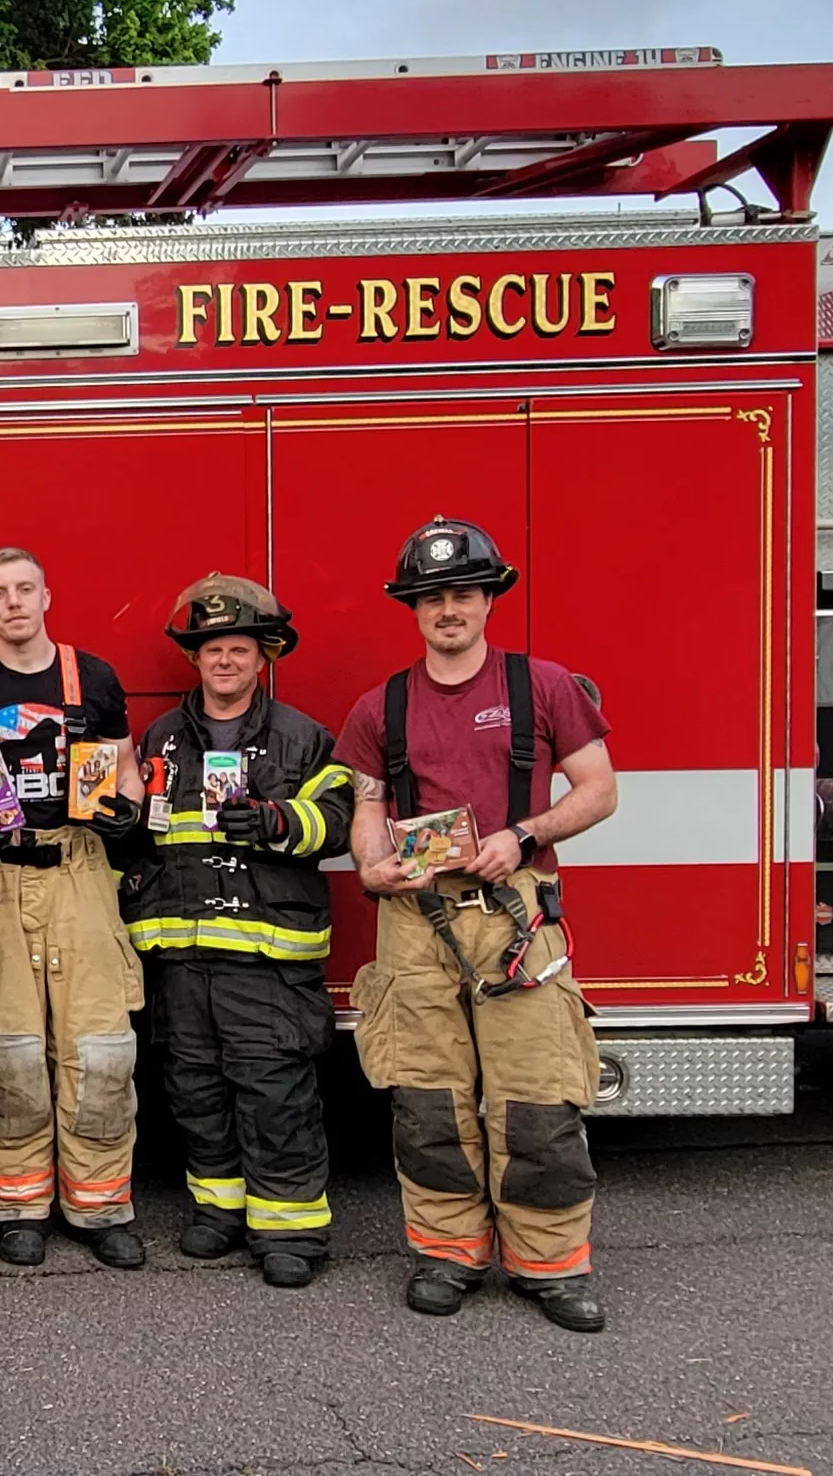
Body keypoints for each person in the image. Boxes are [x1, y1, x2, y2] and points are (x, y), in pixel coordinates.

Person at [333, 517, 617, 1333]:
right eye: (430, 598)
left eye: (461, 593)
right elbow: (368, 806)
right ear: (412, 610)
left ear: (488, 598)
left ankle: (550, 1265)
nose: (447, 609)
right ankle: (446, 1254)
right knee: (427, 1101)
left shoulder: (543, 686)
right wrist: (370, 866)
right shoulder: (378, 705)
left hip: (515, 914)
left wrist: (522, 834)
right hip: (414, 921)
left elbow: (597, 790)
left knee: (536, 1097)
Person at [118, 574, 353, 1288]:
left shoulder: (304, 738)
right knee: (194, 1089)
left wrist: (283, 822)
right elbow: (147, 835)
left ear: (264, 657)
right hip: (183, 955)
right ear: (194, 658)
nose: (224, 661)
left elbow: (341, 822)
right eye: (212, 648)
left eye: (238, 649)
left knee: (272, 1091)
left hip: (265, 957)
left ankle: (289, 1230)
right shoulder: (159, 738)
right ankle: (218, 1210)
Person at [0, 547, 146, 1269]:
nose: (13, 603)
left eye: (24, 590)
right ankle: (18, 1204)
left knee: (97, 1045)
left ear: (47, 597)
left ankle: (100, 1206)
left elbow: (125, 770)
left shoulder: (97, 677)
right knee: (9, 1046)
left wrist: (126, 818)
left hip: (80, 866)